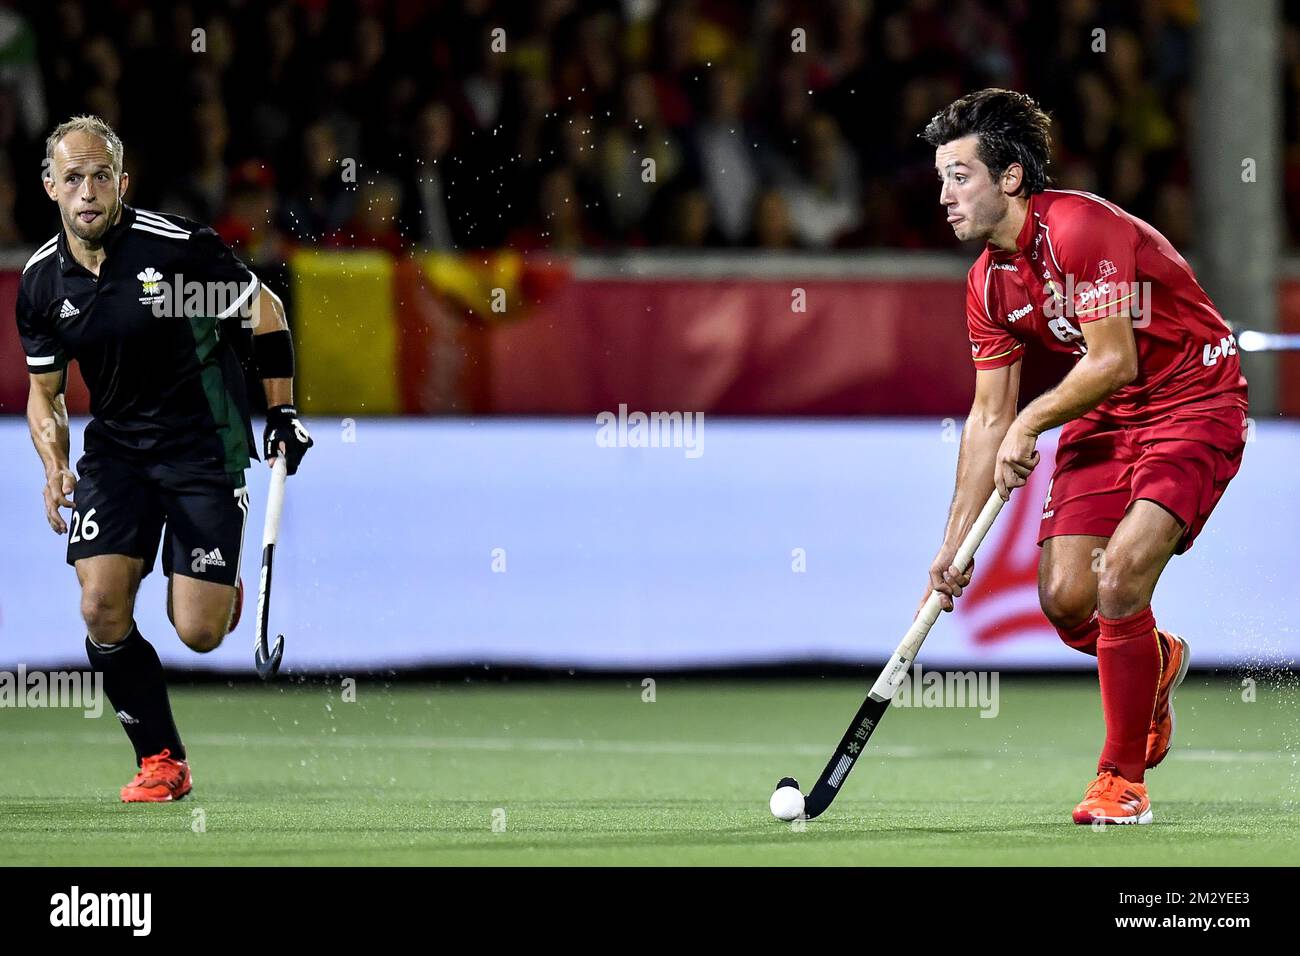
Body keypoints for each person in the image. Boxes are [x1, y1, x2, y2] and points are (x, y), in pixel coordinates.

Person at [919, 89, 1247, 825]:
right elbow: (987, 417)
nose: (944, 195)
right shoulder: (987, 283)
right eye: (940, 178)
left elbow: (1114, 360)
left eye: (959, 175)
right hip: (1102, 418)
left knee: (1121, 574)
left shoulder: (1080, 226)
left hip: (1192, 400)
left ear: (1009, 177)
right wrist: (952, 549)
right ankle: (1154, 659)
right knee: (1068, 600)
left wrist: (1031, 422)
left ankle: (1121, 780)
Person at [16, 115, 314, 801]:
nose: (87, 190)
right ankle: (161, 759)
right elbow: (45, 392)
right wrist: (55, 465)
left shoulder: (174, 251)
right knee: (99, 607)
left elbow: (262, 312)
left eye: (100, 176)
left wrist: (285, 412)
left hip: (203, 443)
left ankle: (218, 585)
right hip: (117, 451)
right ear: (49, 187)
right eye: (72, 177)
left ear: (122, 183)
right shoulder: (39, 285)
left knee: (199, 633)